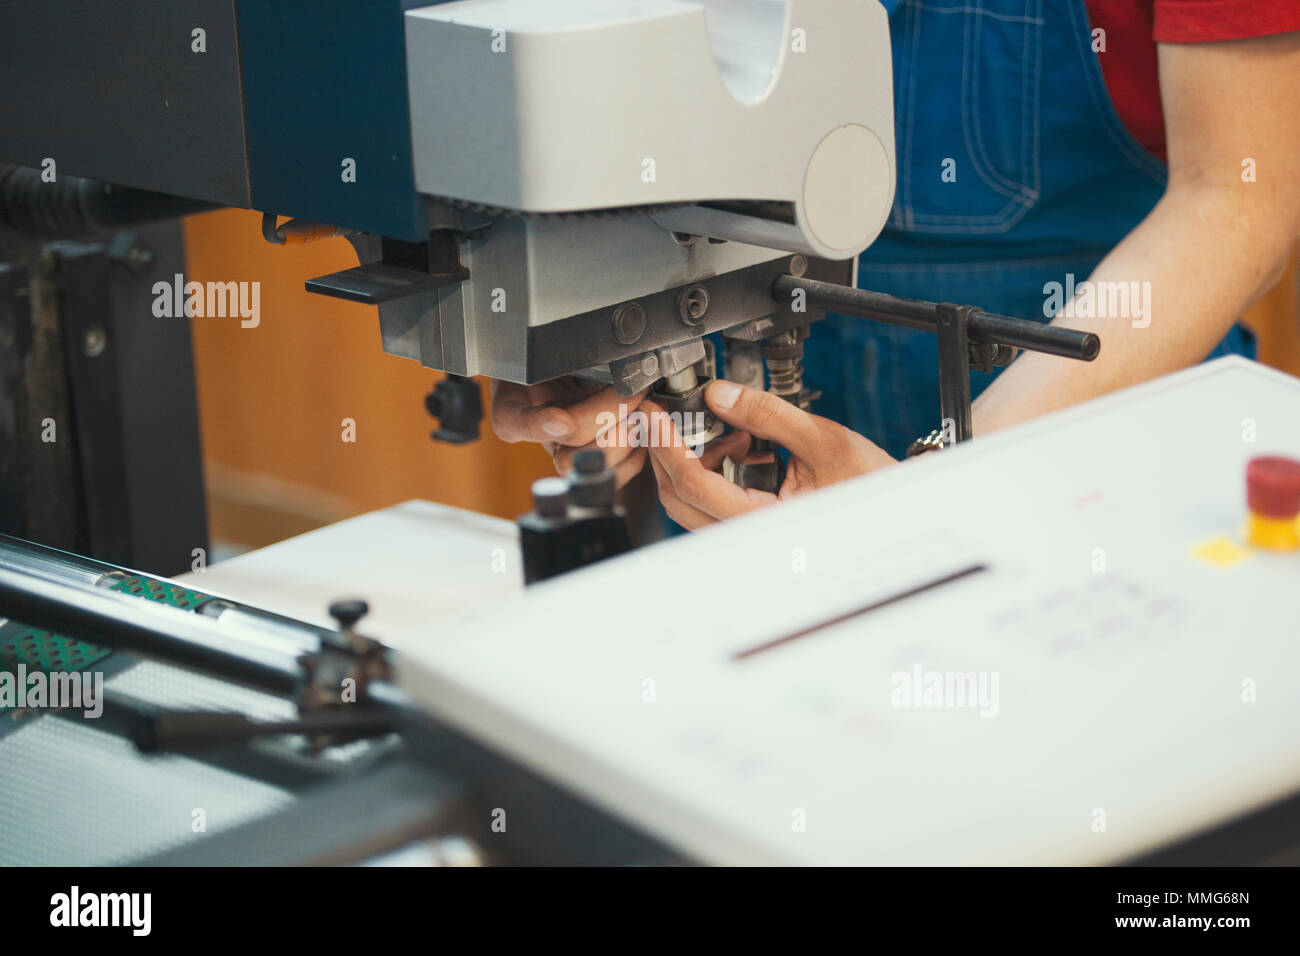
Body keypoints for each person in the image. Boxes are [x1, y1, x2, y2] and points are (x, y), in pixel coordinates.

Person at [491, 1, 1300, 530]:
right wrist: (605, 343)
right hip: (764, 469)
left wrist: (937, 488)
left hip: (1102, 459)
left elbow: (1237, 197)